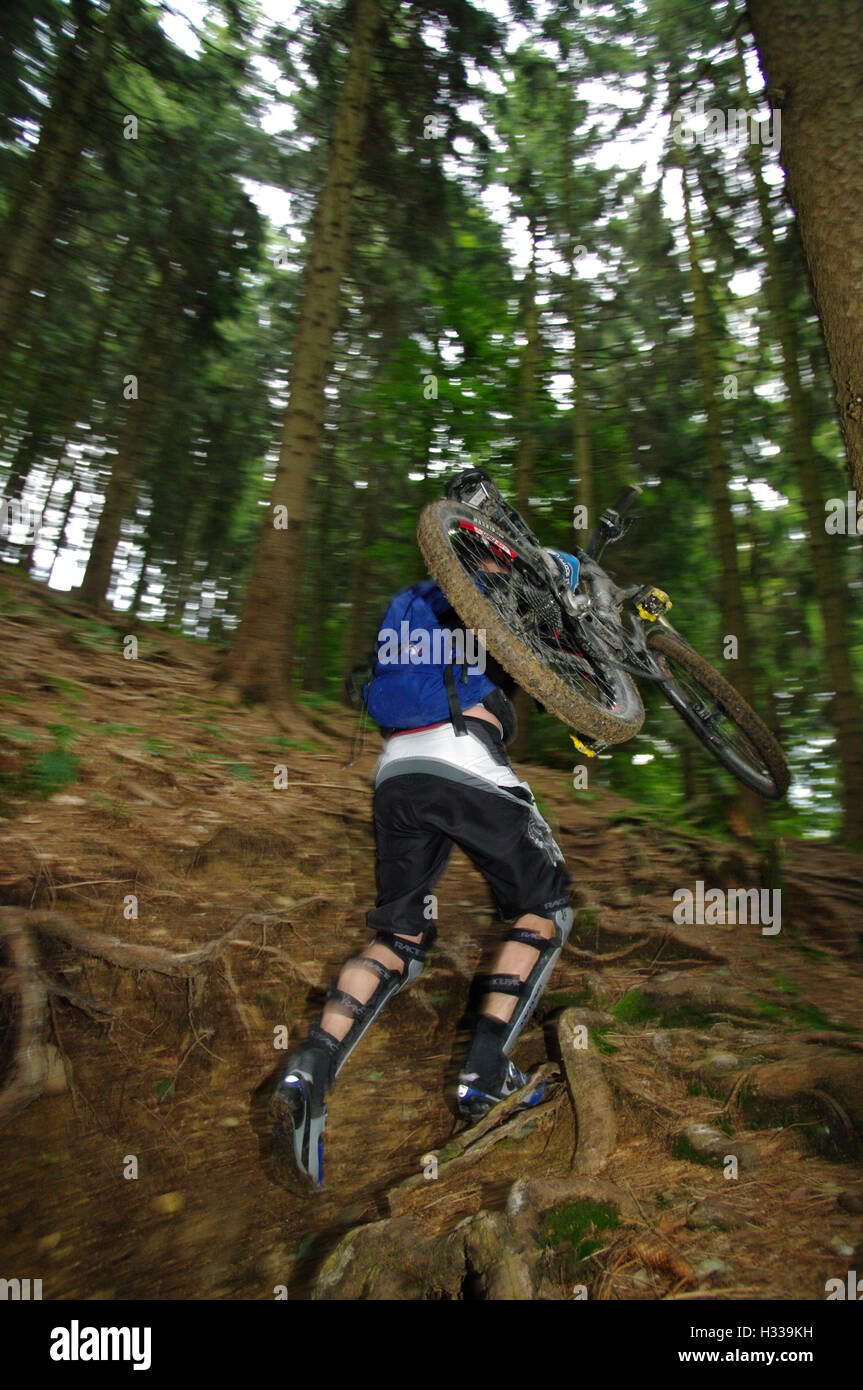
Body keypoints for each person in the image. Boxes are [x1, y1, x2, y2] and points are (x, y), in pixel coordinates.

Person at [273, 557, 578, 1189]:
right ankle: (485, 1075)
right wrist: (567, 571)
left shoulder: (409, 601)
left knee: (397, 937)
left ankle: (312, 1064)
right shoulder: (494, 591)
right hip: (463, 751)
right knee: (545, 909)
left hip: (396, 772)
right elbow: (559, 615)